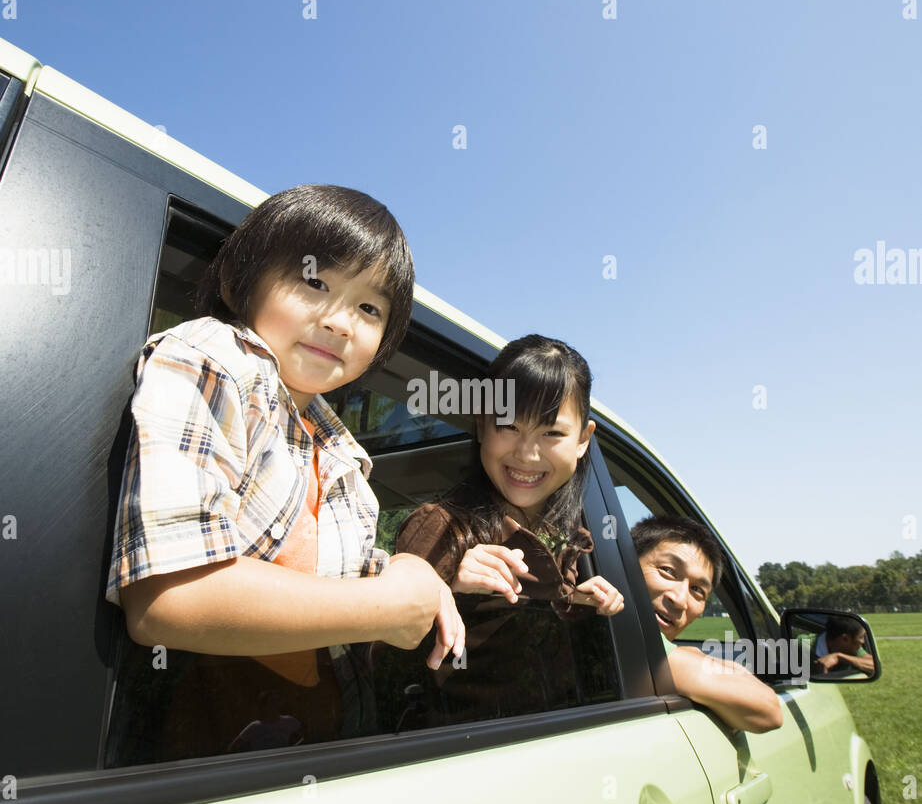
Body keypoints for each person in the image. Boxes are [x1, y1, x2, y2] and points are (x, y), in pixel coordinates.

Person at [106, 185, 464, 686]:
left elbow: (330, 566)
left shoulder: (337, 444)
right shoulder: (219, 359)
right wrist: (385, 607)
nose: (340, 322)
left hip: (312, 722)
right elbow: (168, 598)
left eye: (369, 309)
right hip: (209, 724)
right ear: (240, 284)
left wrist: (416, 575)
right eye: (315, 281)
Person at [391, 335, 623, 721]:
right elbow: (382, 652)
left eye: (552, 433)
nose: (527, 453)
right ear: (483, 427)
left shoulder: (573, 541)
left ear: (584, 440)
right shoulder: (442, 527)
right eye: (509, 426)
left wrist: (576, 603)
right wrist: (445, 585)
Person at [630, 515, 783, 733]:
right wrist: (684, 659)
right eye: (668, 570)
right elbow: (769, 711)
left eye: (697, 590)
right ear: (624, 563)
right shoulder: (643, 652)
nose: (680, 600)